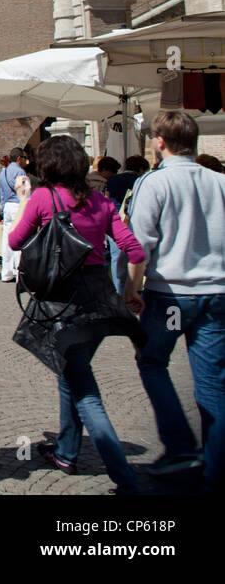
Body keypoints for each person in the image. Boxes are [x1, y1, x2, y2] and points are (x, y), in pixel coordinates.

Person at [8, 134, 146, 495]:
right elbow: (133, 249)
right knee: (71, 375)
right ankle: (67, 451)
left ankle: (124, 477)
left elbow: (14, 241)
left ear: (47, 165)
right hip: (98, 303)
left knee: (86, 393)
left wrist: (24, 200)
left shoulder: (43, 197)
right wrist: (130, 291)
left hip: (62, 307)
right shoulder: (99, 200)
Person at [126, 111, 225, 491]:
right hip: (215, 295)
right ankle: (215, 467)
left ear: (160, 142)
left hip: (172, 297)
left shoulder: (156, 182)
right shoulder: (219, 181)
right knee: (213, 382)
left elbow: (140, 245)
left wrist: (130, 289)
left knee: (152, 361)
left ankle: (181, 446)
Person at [0, 174, 35, 283]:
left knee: (8, 241)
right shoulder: (21, 174)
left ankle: (8, 272)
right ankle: (19, 273)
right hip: (15, 205)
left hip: (9, 206)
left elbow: (14, 241)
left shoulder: (3, 173)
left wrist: (24, 200)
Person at [0, 147, 28, 214]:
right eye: (25, 158)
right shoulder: (20, 172)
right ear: (19, 158)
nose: (26, 161)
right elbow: (24, 193)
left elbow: (2, 193)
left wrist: (2, 209)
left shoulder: (3, 172)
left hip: (6, 208)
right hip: (17, 206)